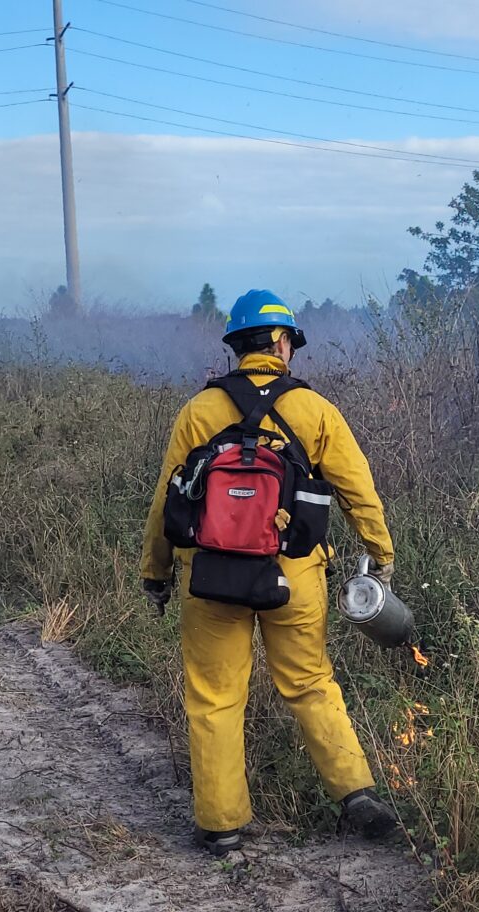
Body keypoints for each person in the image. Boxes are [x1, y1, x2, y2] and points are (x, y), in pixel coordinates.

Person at [141, 290, 401, 856]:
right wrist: (380, 557)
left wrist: (155, 573)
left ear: (236, 347)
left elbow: (167, 502)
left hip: (211, 578)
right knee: (310, 683)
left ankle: (222, 824)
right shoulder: (316, 411)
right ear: (284, 344)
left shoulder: (199, 411)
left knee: (214, 696)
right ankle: (355, 794)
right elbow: (360, 493)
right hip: (294, 578)